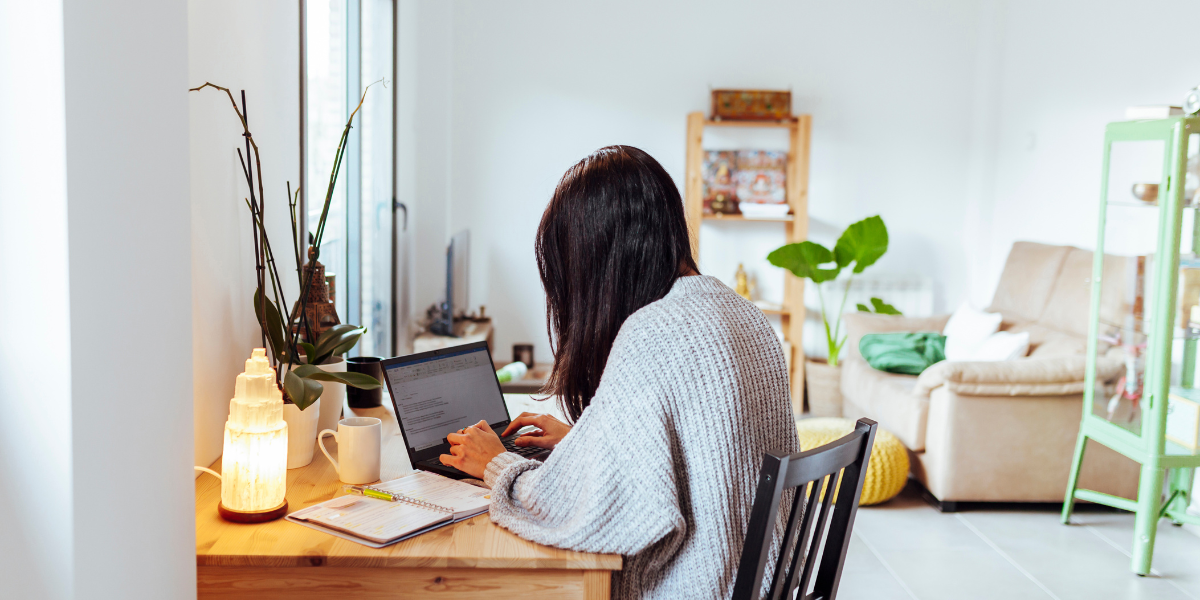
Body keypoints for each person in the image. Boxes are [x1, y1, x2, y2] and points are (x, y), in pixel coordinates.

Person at [439, 145, 800, 599]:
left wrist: (496, 464)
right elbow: (704, 455)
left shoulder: (655, 330)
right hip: (763, 581)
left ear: (601, 256)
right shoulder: (737, 309)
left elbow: (601, 515)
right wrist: (585, 441)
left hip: (700, 586)